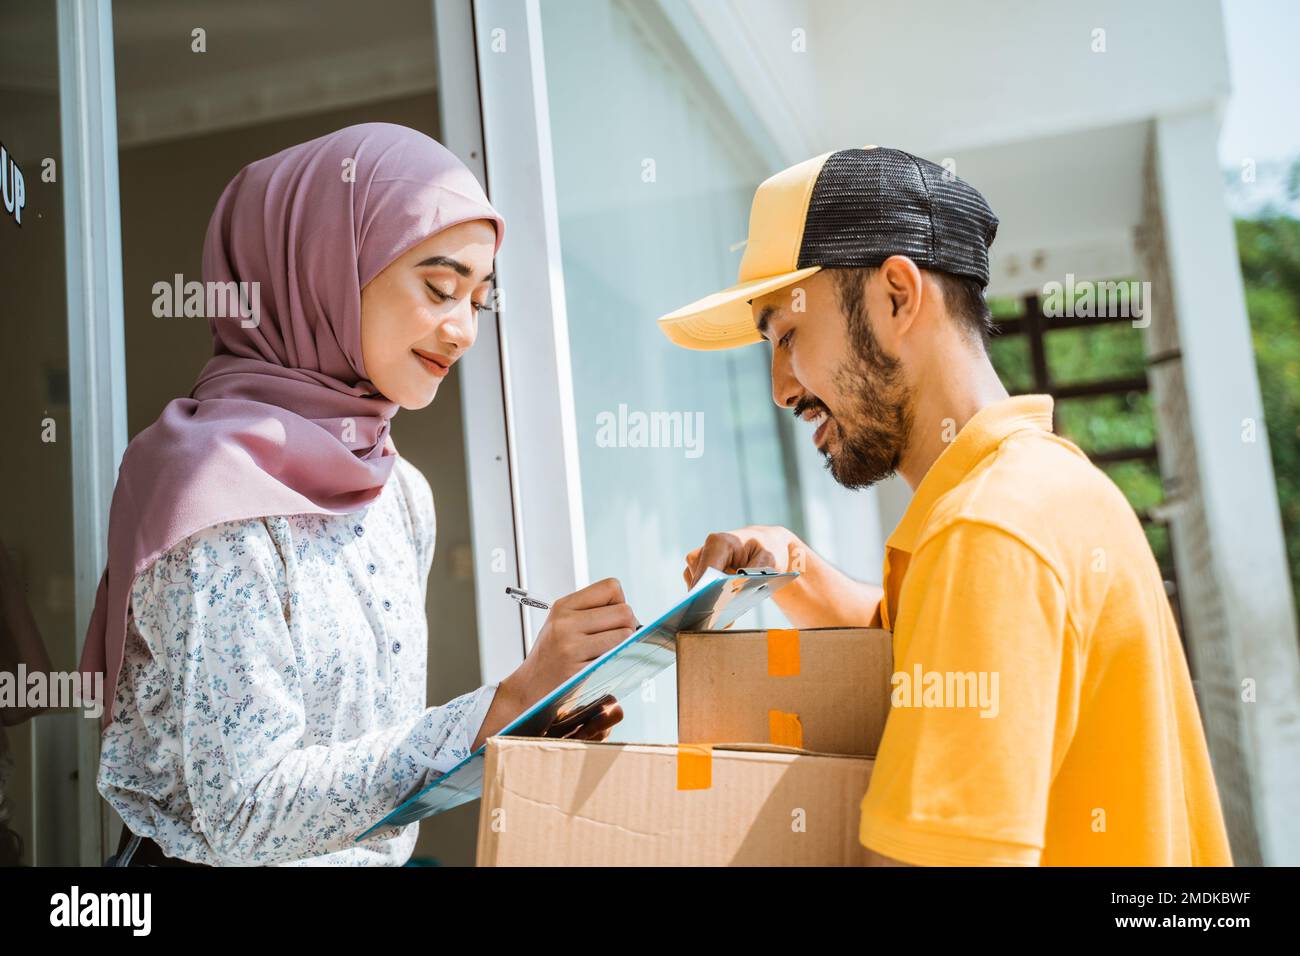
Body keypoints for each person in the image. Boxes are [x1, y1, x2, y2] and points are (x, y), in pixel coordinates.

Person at [661, 146, 1233, 866]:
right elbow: (927, 643)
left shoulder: (986, 532)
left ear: (897, 295)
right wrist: (794, 568)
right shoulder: (1049, 489)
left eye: (787, 336)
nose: (780, 387)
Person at [81, 123, 632, 867]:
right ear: (325, 268)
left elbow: (369, 767)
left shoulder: (401, 494)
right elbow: (245, 811)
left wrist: (523, 718)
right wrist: (494, 708)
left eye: (479, 298)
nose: (464, 329)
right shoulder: (208, 490)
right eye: (440, 288)